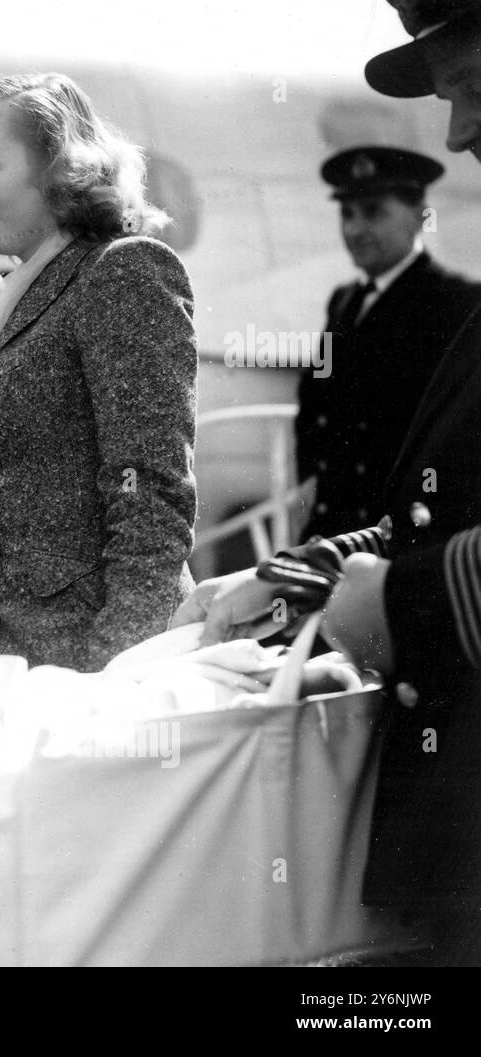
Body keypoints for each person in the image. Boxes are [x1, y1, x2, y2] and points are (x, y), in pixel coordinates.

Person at [174, 0, 481, 965]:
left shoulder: (448, 306)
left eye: (475, 91)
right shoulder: (354, 309)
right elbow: (434, 503)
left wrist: (402, 596)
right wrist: (299, 570)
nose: (461, 128)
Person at [0, 73, 198, 672]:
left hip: (92, 659)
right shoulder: (23, 289)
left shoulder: (122, 272)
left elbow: (151, 496)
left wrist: (114, 672)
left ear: (60, 167)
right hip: (23, 654)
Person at [297, 146, 481, 538]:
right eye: (347, 213)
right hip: (333, 521)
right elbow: (315, 401)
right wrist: (309, 483)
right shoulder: (344, 302)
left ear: (419, 217)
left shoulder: (458, 304)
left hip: (400, 531)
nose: (354, 229)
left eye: (373, 212)